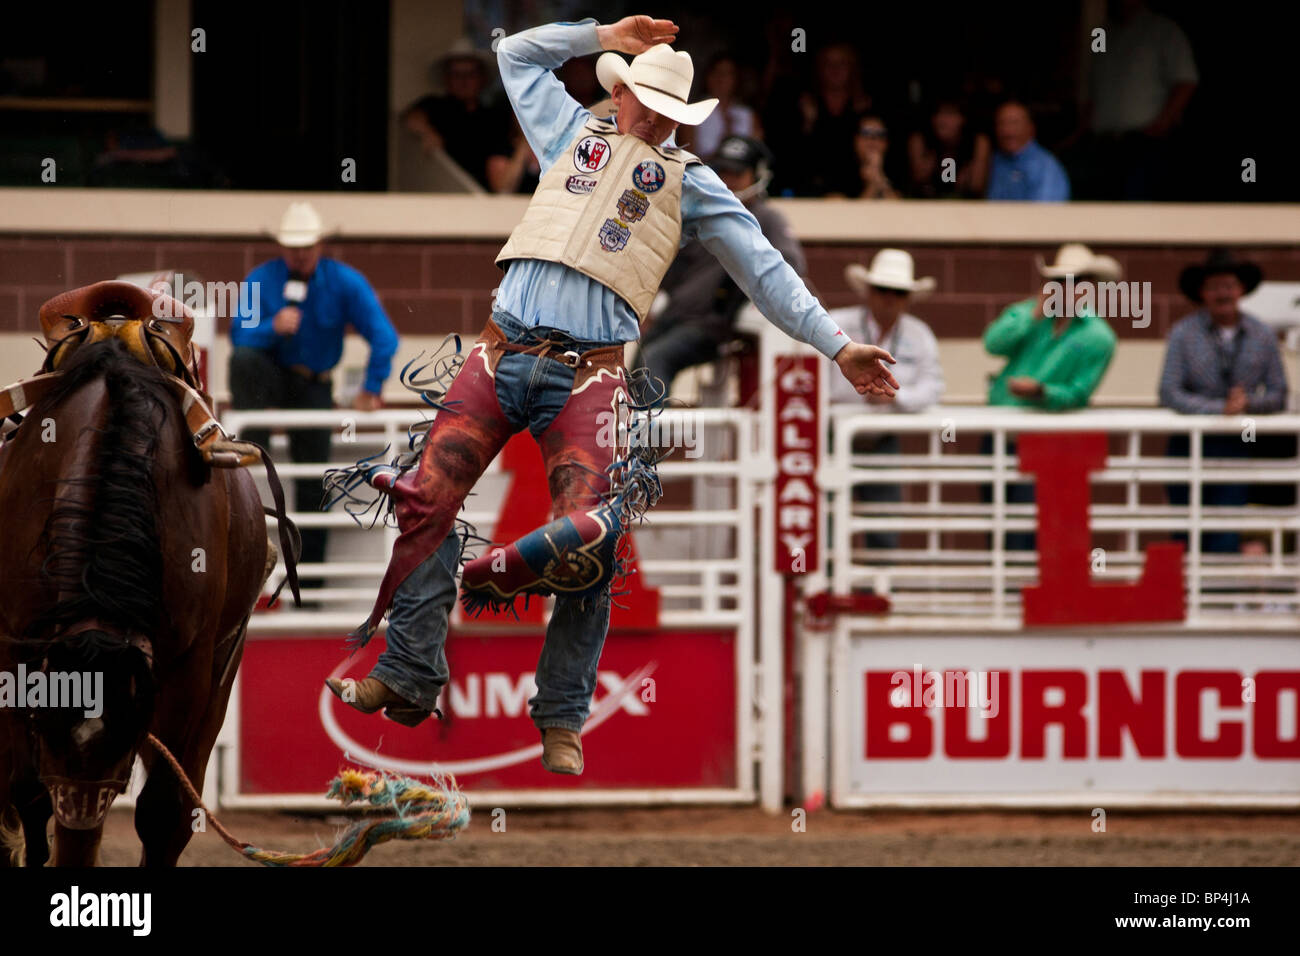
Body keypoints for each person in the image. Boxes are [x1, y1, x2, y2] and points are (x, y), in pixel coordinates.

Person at [324, 16, 901, 777]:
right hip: (501, 352)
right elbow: (514, 52)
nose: (656, 116)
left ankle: (561, 712)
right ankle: (409, 669)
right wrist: (601, 33)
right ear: (622, 89)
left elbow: (763, 271)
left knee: (591, 537)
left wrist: (836, 344)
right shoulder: (566, 127)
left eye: (671, 110)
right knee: (425, 497)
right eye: (648, 100)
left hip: (589, 375)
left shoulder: (693, 183)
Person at [230, 202, 399, 591]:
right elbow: (240, 336)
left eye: (307, 246)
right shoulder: (261, 279)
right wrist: (272, 326)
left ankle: (311, 585)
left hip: (314, 384)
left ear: (320, 245)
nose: (300, 254)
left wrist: (370, 389)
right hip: (270, 381)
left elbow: (384, 337)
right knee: (245, 360)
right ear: (281, 247)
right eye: (293, 247)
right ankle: (254, 442)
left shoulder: (344, 282)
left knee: (314, 483)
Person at [633, 134, 800, 393]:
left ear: (758, 175)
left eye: (737, 173)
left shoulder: (767, 218)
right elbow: (669, 267)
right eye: (723, 172)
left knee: (656, 360)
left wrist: (752, 295)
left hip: (713, 325)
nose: (728, 180)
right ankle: (630, 430)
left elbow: (791, 265)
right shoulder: (702, 214)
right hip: (674, 315)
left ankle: (645, 433)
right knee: (635, 365)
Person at [982, 244, 1120, 548]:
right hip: (1000, 433)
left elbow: (1079, 392)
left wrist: (1042, 392)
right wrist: (1034, 314)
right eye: (1060, 282)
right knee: (994, 518)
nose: (1066, 290)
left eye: (1075, 282)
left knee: (1030, 524)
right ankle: (1004, 589)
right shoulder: (1028, 313)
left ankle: (1023, 589)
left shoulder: (1099, 337)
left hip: (1048, 441)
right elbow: (993, 343)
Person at [1159, 248, 1287, 553]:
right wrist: (1217, 409)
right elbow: (1169, 391)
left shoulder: (1262, 334)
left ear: (1241, 289)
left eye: (1228, 286)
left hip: (1238, 443)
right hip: (1188, 444)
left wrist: (1248, 405)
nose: (1222, 293)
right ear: (1203, 292)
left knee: (1228, 525)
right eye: (1215, 287)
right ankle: (1190, 595)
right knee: (1187, 526)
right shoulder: (1183, 334)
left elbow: (1279, 392)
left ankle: (1221, 595)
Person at [828, 249, 944, 550]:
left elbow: (933, 388)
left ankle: (878, 588)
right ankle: (822, 588)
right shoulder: (836, 325)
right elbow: (818, 382)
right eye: (882, 290)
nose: (889, 298)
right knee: (824, 520)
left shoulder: (920, 335)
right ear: (869, 292)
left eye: (897, 292)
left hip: (882, 440)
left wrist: (894, 398)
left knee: (884, 524)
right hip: (832, 436)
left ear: (907, 298)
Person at [1071, 0, 1198, 199]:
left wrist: (1163, 122)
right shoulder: (1103, 33)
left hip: (1144, 143)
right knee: (1100, 208)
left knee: (1139, 211)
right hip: (1103, 143)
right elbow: (1092, 82)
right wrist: (1083, 128)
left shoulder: (1163, 31)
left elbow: (1186, 80)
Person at [403, 40, 514, 191]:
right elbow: (411, 118)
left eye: (470, 74)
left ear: (482, 78)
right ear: (447, 78)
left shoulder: (495, 117)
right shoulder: (435, 106)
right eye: (456, 74)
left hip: (483, 197)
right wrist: (427, 132)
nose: (464, 81)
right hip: (442, 190)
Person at [986, 100, 1070, 202]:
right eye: (1002, 123)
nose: (1007, 131)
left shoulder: (1046, 166)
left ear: (1031, 128)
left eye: (1014, 123)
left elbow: (1045, 214)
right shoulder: (994, 160)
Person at [907, 99, 990, 199]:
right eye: (938, 114)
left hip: (967, 208)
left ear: (961, 118)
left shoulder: (977, 141)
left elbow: (976, 186)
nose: (942, 120)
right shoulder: (921, 139)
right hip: (925, 207)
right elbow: (917, 181)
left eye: (949, 114)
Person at [686, 54, 763, 159]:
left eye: (728, 74)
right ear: (708, 76)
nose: (721, 79)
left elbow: (757, 156)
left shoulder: (749, 115)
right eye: (717, 72)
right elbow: (687, 156)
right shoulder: (692, 112)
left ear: (736, 79)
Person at [851, 116, 900, 200]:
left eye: (880, 134)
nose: (872, 139)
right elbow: (848, 212)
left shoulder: (898, 169)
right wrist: (873, 185)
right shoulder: (841, 171)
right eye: (866, 133)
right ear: (856, 140)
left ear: (886, 143)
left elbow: (901, 210)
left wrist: (879, 177)